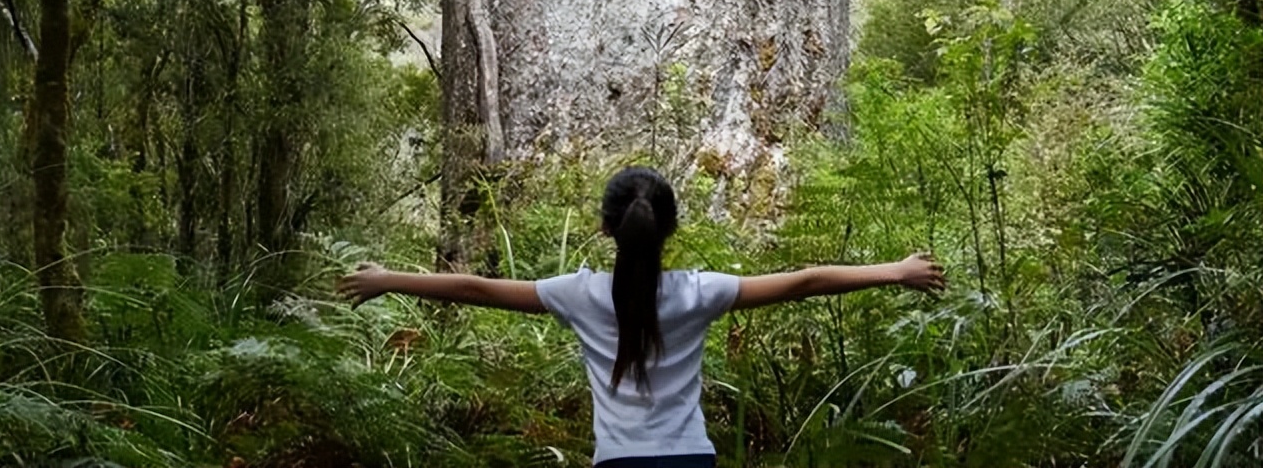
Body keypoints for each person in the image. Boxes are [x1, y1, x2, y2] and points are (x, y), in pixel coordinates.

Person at [339, 165, 946, 468]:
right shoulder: (700, 293)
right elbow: (807, 282)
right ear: (671, 229)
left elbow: (475, 287)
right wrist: (896, 270)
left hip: (619, 465)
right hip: (690, 459)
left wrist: (387, 279)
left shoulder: (578, 294)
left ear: (605, 229)